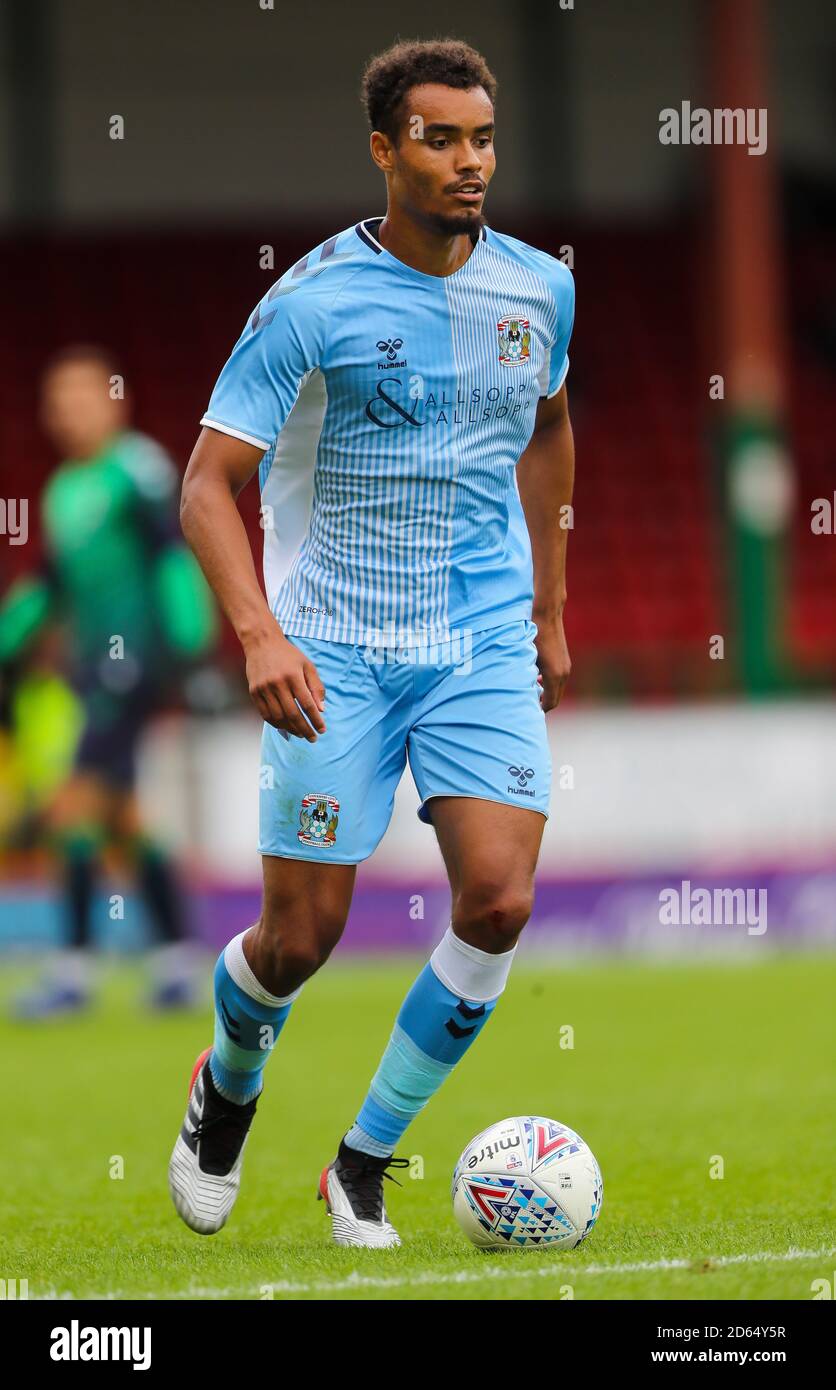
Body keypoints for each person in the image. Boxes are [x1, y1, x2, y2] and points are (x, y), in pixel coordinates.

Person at [169, 38, 575, 1247]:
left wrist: (549, 610)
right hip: (332, 649)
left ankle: (361, 1160)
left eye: (483, 138)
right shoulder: (306, 304)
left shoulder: (537, 290)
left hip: (479, 641)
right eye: (440, 139)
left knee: (497, 901)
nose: (469, 163)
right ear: (384, 151)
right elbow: (205, 485)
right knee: (299, 939)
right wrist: (258, 635)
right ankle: (226, 1091)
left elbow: (549, 430)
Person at [0, 345, 217, 1016]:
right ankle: (179, 960)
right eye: (57, 402)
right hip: (91, 668)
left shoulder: (138, 470)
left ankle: (72, 972)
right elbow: (50, 583)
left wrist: (193, 648)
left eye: (83, 397)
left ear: (114, 400)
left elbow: (171, 556)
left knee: (71, 805)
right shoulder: (64, 490)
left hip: (135, 665)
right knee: (122, 821)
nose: (68, 413)